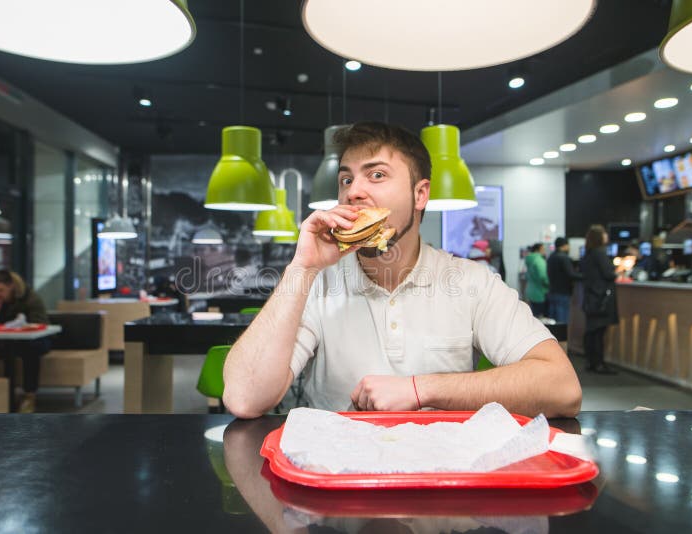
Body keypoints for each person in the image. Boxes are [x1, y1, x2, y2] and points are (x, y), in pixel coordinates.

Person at [223, 122, 581, 419]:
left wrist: (420, 388)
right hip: (335, 471)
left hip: (442, 469)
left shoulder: (471, 282)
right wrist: (302, 267)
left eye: (376, 175)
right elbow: (243, 398)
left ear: (420, 194)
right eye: (346, 180)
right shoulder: (318, 283)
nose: (354, 192)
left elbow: (562, 388)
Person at [0, 269, 49, 412]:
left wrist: (20, 326)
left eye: (1, 290)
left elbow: (39, 324)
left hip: (32, 340)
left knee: (30, 349)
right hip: (5, 341)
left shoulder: (30, 298)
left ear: (11, 286)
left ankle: (29, 395)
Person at [580, 225, 618, 375]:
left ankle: (591, 361)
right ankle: (599, 363)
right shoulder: (600, 254)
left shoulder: (587, 255)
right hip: (601, 299)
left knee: (591, 331)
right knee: (599, 333)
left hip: (591, 298)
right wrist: (619, 269)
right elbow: (609, 274)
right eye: (604, 234)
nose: (606, 236)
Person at [546, 237, 583, 323]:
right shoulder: (564, 258)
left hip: (552, 291)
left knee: (552, 321)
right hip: (563, 292)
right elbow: (571, 274)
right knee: (562, 321)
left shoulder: (551, 257)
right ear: (564, 246)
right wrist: (586, 276)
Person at [524, 243, 549, 317]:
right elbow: (543, 277)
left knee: (533, 315)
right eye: (543, 249)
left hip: (530, 291)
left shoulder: (529, 259)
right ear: (538, 250)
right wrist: (550, 285)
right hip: (540, 293)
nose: (544, 251)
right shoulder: (539, 260)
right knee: (540, 317)